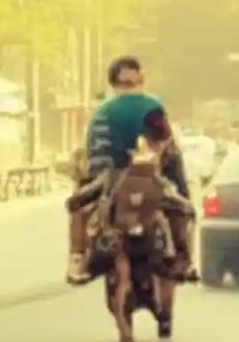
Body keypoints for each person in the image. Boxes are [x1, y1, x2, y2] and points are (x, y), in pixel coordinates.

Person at [67, 55, 198, 284]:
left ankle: (184, 258)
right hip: (112, 178)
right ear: (114, 85)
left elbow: (164, 146)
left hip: (141, 177)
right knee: (80, 203)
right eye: (127, 84)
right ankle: (78, 257)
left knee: (183, 206)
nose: (133, 90)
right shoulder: (116, 112)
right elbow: (94, 157)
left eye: (137, 83)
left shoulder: (107, 111)